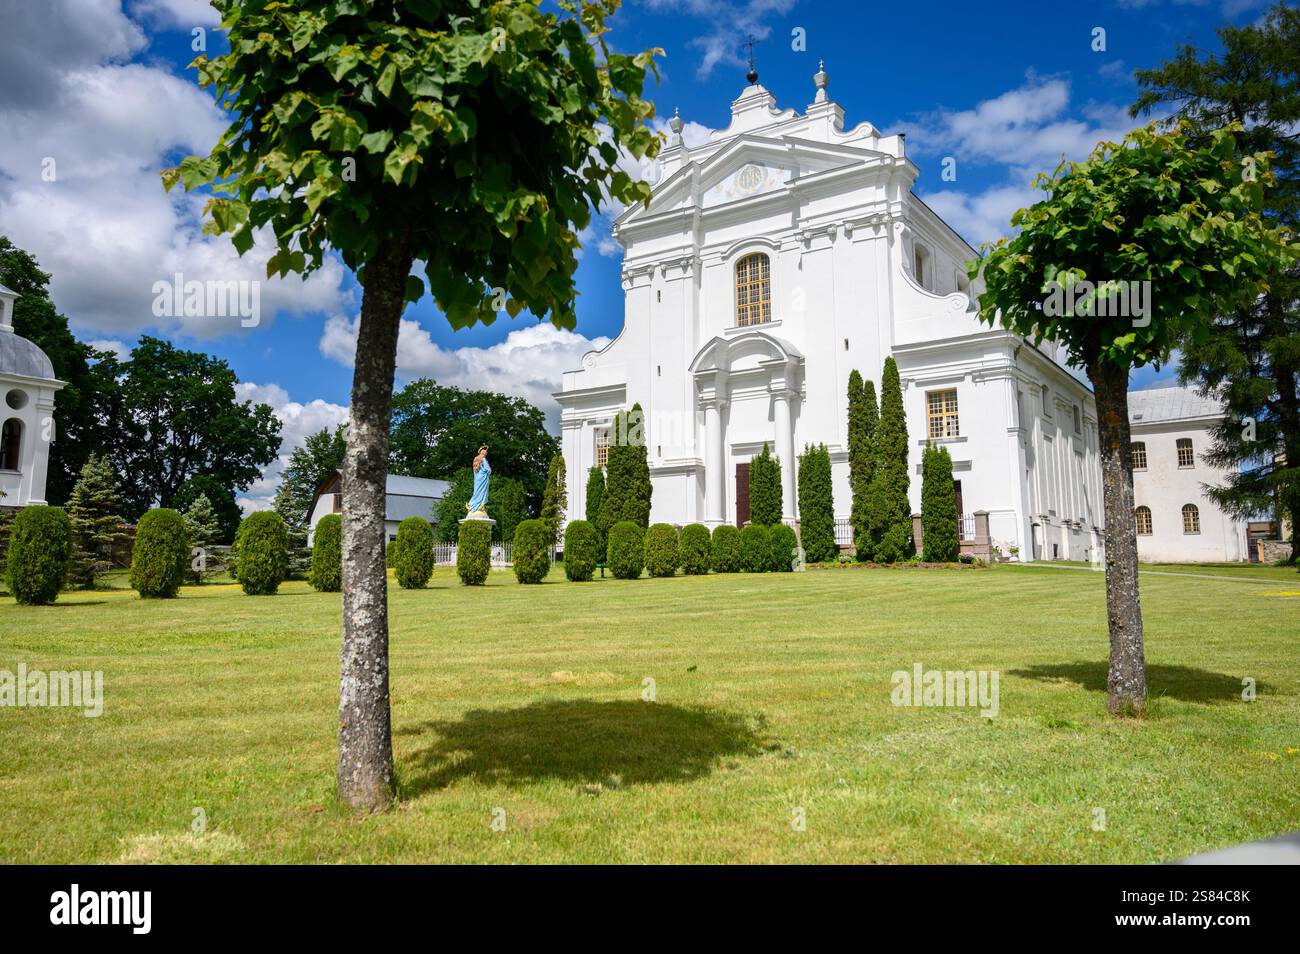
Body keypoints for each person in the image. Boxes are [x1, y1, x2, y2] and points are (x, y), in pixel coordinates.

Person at [466, 445, 491, 517]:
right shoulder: (483, 459)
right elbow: (488, 470)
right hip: (483, 478)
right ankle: (479, 505)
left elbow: (475, 471)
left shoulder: (475, 459)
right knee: (482, 492)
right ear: (484, 453)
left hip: (477, 479)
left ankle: (472, 505)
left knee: (476, 492)